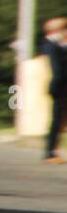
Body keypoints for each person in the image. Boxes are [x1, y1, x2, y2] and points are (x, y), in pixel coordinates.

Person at [41, 16, 67, 163]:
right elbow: (57, 70)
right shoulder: (50, 46)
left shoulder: (56, 45)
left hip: (61, 87)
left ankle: (51, 151)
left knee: (59, 121)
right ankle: (50, 152)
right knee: (56, 121)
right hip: (59, 88)